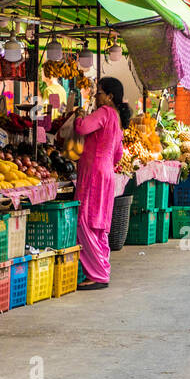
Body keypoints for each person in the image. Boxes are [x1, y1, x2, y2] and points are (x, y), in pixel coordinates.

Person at [74, 76, 130, 290]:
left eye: (99, 92)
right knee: (99, 225)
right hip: (106, 172)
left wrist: (79, 116)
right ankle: (101, 269)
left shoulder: (104, 112)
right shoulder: (116, 118)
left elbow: (82, 129)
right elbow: (118, 154)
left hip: (93, 173)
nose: (96, 96)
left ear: (109, 96)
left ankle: (97, 274)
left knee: (85, 221)